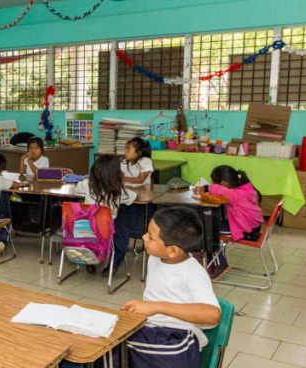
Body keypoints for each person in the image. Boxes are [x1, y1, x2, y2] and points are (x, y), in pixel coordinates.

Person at [119, 207, 221, 367]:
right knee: (114, 344)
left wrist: (156, 307)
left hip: (179, 338)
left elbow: (212, 315)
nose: (143, 237)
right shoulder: (155, 258)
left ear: (172, 251)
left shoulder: (193, 272)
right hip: (151, 331)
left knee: (119, 348)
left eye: (151, 238)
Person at [198, 165, 264, 280]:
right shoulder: (246, 188)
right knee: (210, 225)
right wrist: (207, 188)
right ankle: (213, 258)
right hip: (251, 227)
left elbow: (216, 189)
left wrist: (208, 188)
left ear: (223, 183)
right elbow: (219, 190)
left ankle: (220, 264)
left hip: (245, 231)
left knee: (208, 231)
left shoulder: (235, 195)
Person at [75, 156, 136, 270]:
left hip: (87, 227)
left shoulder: (87, 184)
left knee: (102, 220)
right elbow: (133, 197)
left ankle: (90, 262)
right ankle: (113, 264)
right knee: (120, 220)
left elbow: (77, 189)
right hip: (108, 229)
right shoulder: (119, 190)